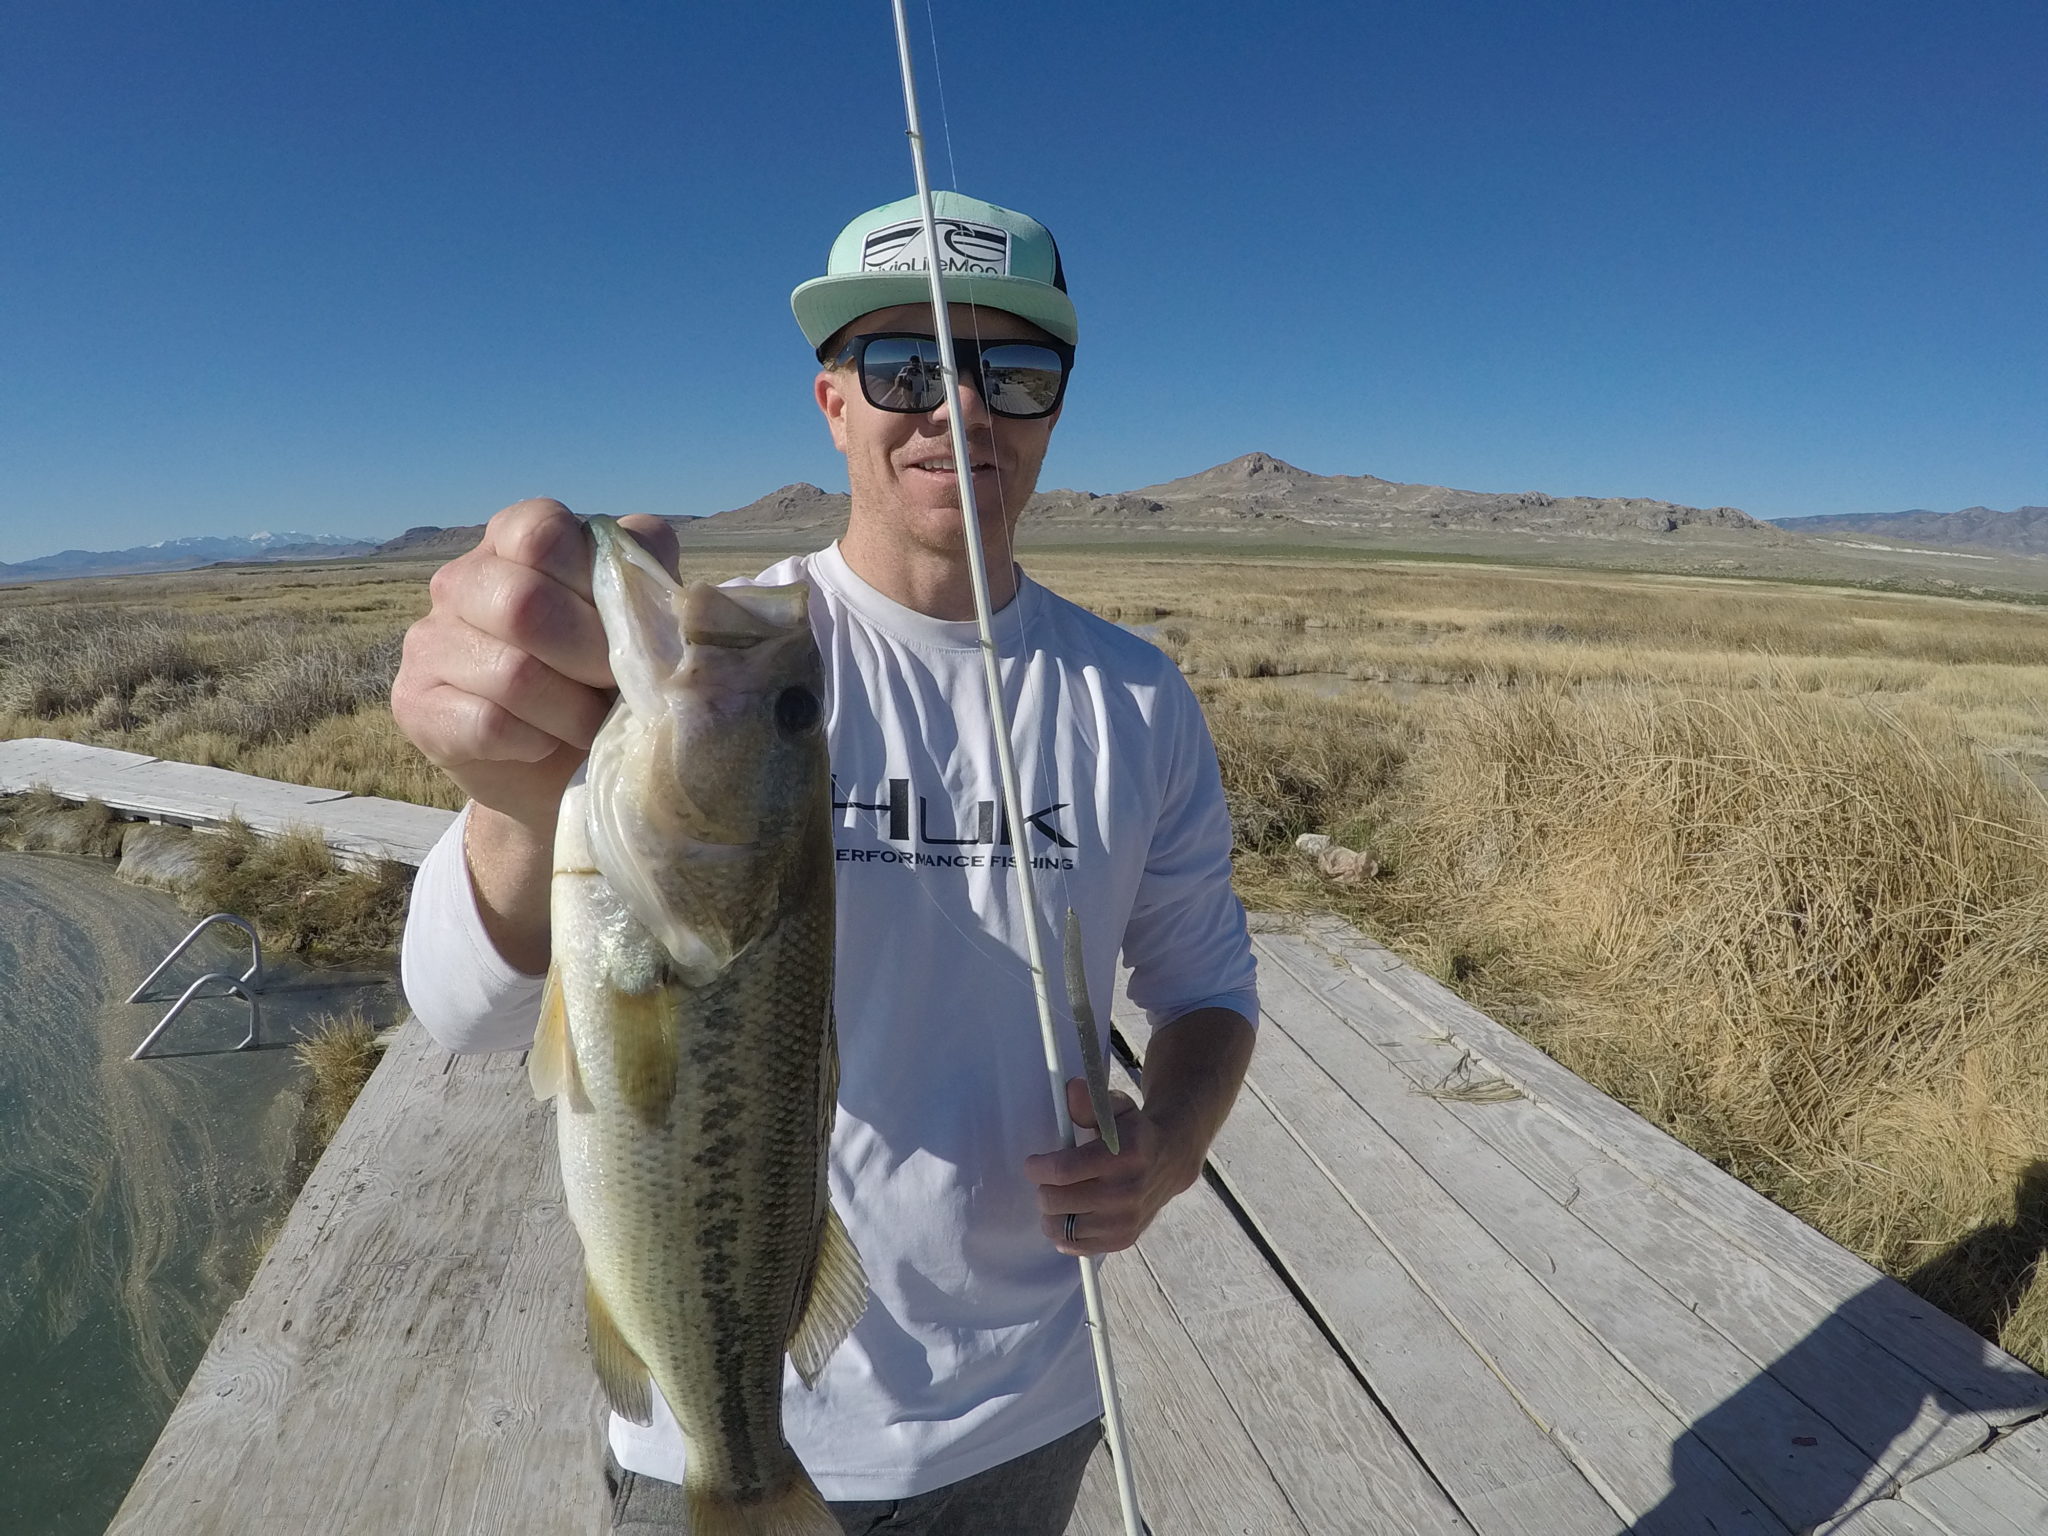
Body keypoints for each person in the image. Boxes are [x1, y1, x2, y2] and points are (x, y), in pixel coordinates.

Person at [391, 190, 1258, 1535]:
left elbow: (1208, 986)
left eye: (1013, 373)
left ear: (1054, 410)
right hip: (709, 1412)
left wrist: (1173, 1145)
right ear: (833, 403)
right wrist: (513, 806)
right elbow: (468, 1008)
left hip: (1022, 1410)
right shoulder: (727, 666)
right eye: (903, 365)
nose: (959, 409)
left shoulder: (1137, 702)